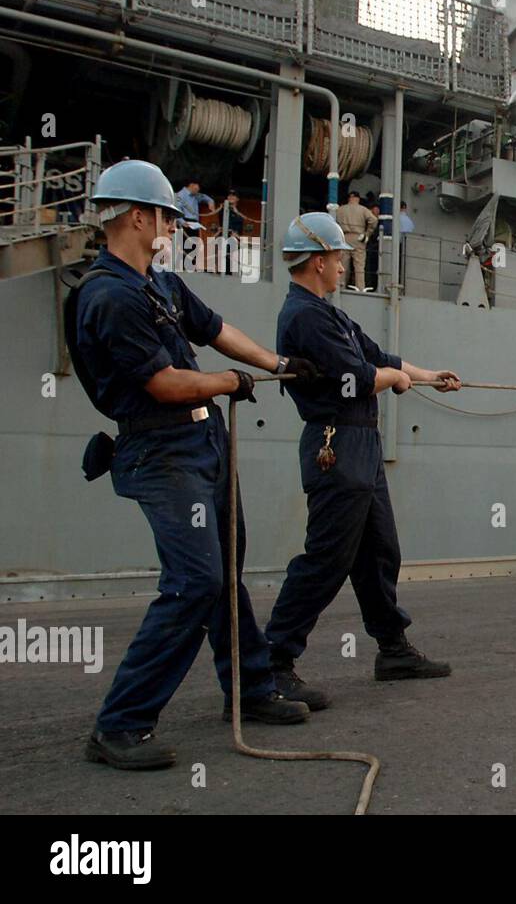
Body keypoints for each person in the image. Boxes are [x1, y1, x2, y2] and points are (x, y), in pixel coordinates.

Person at [70, 160, 321, 771]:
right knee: (196, 582)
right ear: (139, 216)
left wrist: (276, 362)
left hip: (201, 446)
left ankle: (252, 688)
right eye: (165, 216)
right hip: (160, 451)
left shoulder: (159, 284)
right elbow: (164, 383)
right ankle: (121, 722)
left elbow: (215, 329)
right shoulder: (108, 296)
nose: (172, 226)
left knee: (225, 569)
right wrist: (233, 382)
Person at [264, 213, 463, 707]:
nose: (342, 265)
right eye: (337, 257)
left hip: (361, 445)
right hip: (336, 443)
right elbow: (356, 376)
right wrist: (392, 381)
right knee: (327, 558)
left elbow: (380, 357)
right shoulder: (304, 317)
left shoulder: (327, 311)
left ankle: (392, 649)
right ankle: (271, 663)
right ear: (316, 262)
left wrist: (428, 374)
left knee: (379, 549)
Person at [334, 191, 377, 292]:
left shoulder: (340, 210)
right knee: (359, 265)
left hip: (344, 238)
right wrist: (367, 233)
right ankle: (360, 288)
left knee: (343, 264)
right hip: (358, 238)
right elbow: (374, 220)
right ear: (358, 198)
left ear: (349, 198)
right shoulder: (362, 209)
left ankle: (340, 286)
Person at [220, 190, 246, 277]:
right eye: (229, 195)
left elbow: (242, 221)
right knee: (227, 256)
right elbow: (223, 223)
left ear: (237, 198)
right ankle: (225, 274)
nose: (231, 197)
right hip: (226, 236)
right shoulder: (224, 210)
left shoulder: (238, 211)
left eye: (233, 195)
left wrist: (235, 211)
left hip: (236, 237)